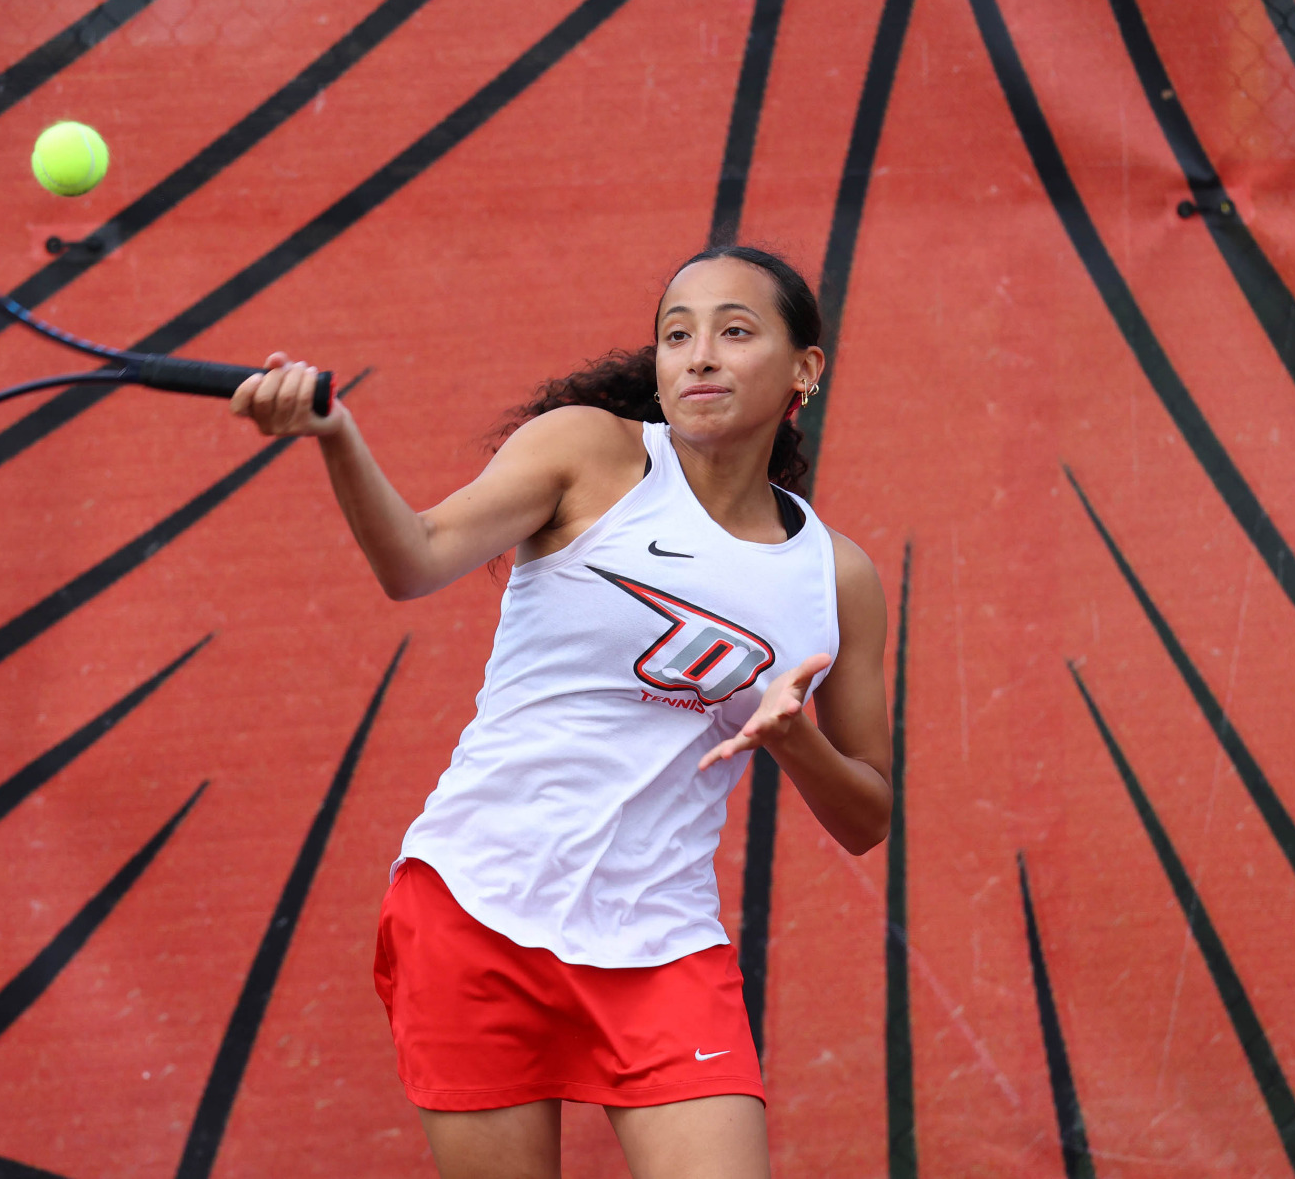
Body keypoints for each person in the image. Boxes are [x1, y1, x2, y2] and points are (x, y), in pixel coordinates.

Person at [228, 245, 893, 1179]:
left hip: (663, 941)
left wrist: (792, 738)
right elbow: (412, 557)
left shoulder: (838, 577)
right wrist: (337, 434)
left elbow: (868, 816)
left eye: (734, 331)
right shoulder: (591, 451)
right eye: (676, 334)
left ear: (803, 370)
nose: (698, 354)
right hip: (475, 908)